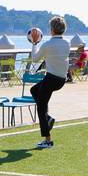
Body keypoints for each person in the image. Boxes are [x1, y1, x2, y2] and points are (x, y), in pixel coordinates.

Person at [27, 16, 70, 150]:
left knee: (40, 107)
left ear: (51, 30)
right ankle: (48, 119)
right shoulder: (67, 42)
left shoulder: (47, 44)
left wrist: (35, 43)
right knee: (34, 91)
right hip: (61, 80)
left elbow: (34, 59)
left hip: (51, 78)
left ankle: (48, 140)